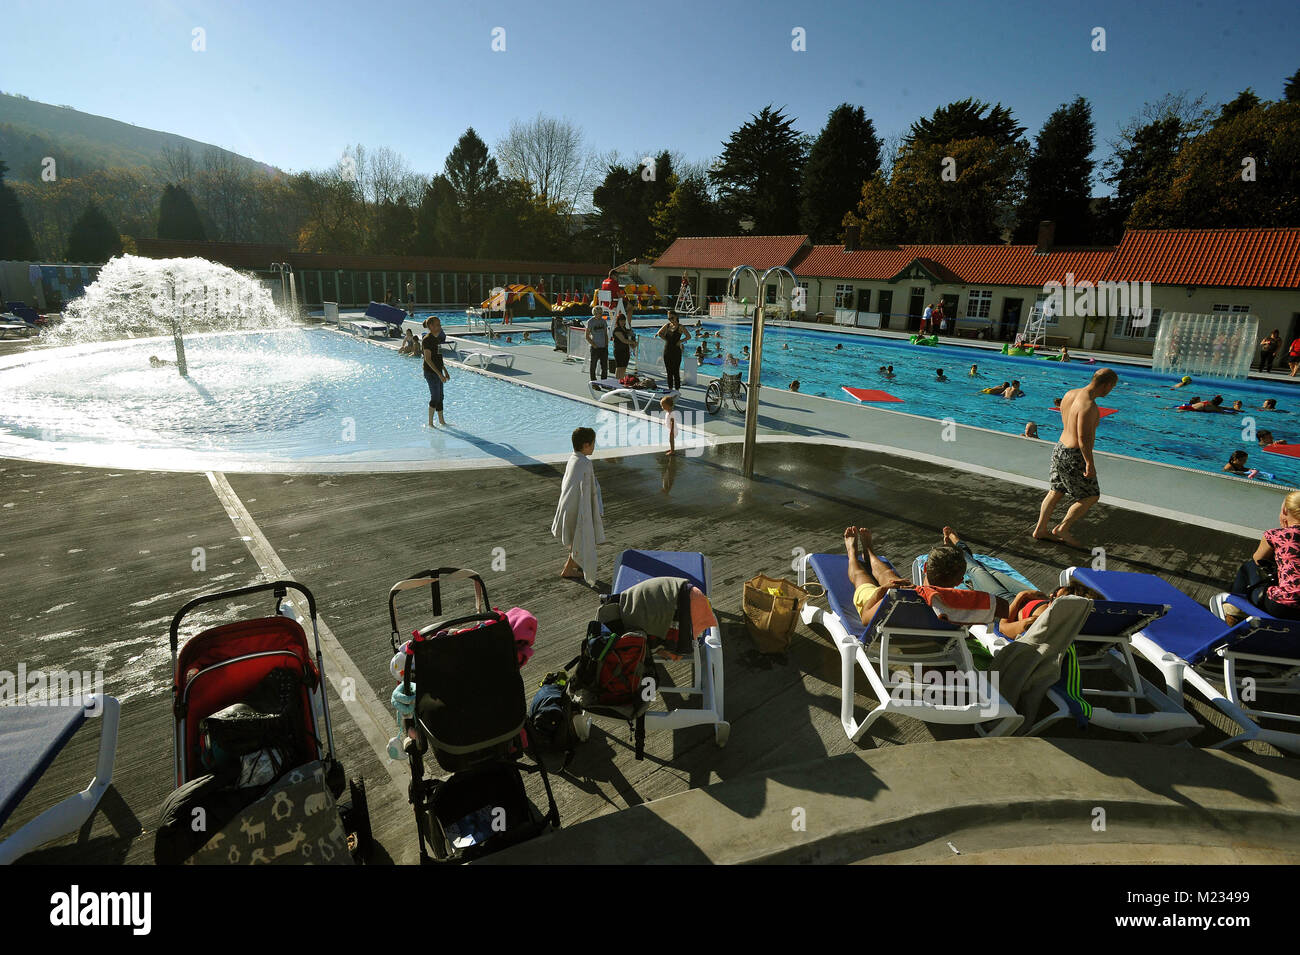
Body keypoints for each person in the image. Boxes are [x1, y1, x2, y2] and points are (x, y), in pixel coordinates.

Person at [841, 526, 1012, 630]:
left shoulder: (899, 597)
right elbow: (1003, 608)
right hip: (933, 639)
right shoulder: (962, 604)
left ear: (924, 568)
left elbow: (865, 617)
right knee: (889, 576)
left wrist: (883, 591)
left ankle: (852, 555)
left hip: (886, 608)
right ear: (959, 581)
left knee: (861, 577)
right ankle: (869, 552)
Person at [1032, 367, 1118, 547]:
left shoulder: (1070, 394)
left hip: (1060, 448)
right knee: (1091, 496)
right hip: (1074, 455)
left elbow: (1066, 422)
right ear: (1107, 385)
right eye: (1112, 387)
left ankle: (1040, 529)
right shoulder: (1088, 406)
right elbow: (1083, 439)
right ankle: (1062, 528)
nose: (1111, 391)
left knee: (1056, 491)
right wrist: (1089, 464)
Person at [1226, 491, 1300, 621]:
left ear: (1284, 511)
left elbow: (1258, 560)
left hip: (1281, 606)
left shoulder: (1276, 535)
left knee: (1248, 568)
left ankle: (1235, 609)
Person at [552, 427, 605, 585]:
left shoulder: (573, 458)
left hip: (568, 506)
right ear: (586, 445)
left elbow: (569, 485)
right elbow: (589, 490)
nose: (595, 446)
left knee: (577, 539)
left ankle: (571, 567)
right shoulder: (585, 463)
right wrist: (594, 512)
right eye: (594, 443)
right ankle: (569, 569)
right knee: (581, 537)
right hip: (577, 509)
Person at [421, 316, 451, 428]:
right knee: (435, 397)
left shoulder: (437, 339)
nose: (440, 327)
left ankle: (442, 421)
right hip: (430, 372)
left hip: (438, 371)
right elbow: (427, 359)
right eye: (437, 325)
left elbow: (439, 357)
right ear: (431, 326)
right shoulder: (427, 340)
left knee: (441, 396)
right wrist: (439, 374)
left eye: (440, 324)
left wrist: (445, 371)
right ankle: (430, 423)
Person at [657, 310, 689, 391]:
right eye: (669, 318)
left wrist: (680, 341)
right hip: (667, 350)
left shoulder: (680, 327)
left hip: (676, 351)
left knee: (675, 371)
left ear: (676, 317)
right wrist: (666, 339)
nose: (671, 320)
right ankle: (670, 389)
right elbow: (659, 333)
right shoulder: (667, 326)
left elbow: (688, 336)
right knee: (669, 372)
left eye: (672, 318)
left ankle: (677, 390)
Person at [586, 306, 610, 382]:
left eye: (600, 313)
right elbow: (587, 336)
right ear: (594, 313)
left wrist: (606, 345)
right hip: (595, 347)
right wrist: (594, 345)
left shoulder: (603, 321)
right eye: (598, 313)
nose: (599, 314)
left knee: (605, 366)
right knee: (593, 365)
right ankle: (593, 381)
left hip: (603, 347)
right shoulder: (590, 321)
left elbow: (605, 334)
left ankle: (604, 381)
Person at [611, 314, 637, 379]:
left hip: (625, 350)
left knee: (624, 367)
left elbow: (630, 338)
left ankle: (621, 380)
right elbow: (623, 340)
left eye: (624, 320)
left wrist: (633, 344)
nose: (622, 322)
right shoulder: (617, 330)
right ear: (618, 321)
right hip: (618, 351)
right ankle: (617, 382)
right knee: (619, 367)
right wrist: (633, 342)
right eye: (621, 320)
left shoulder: (625, 329)